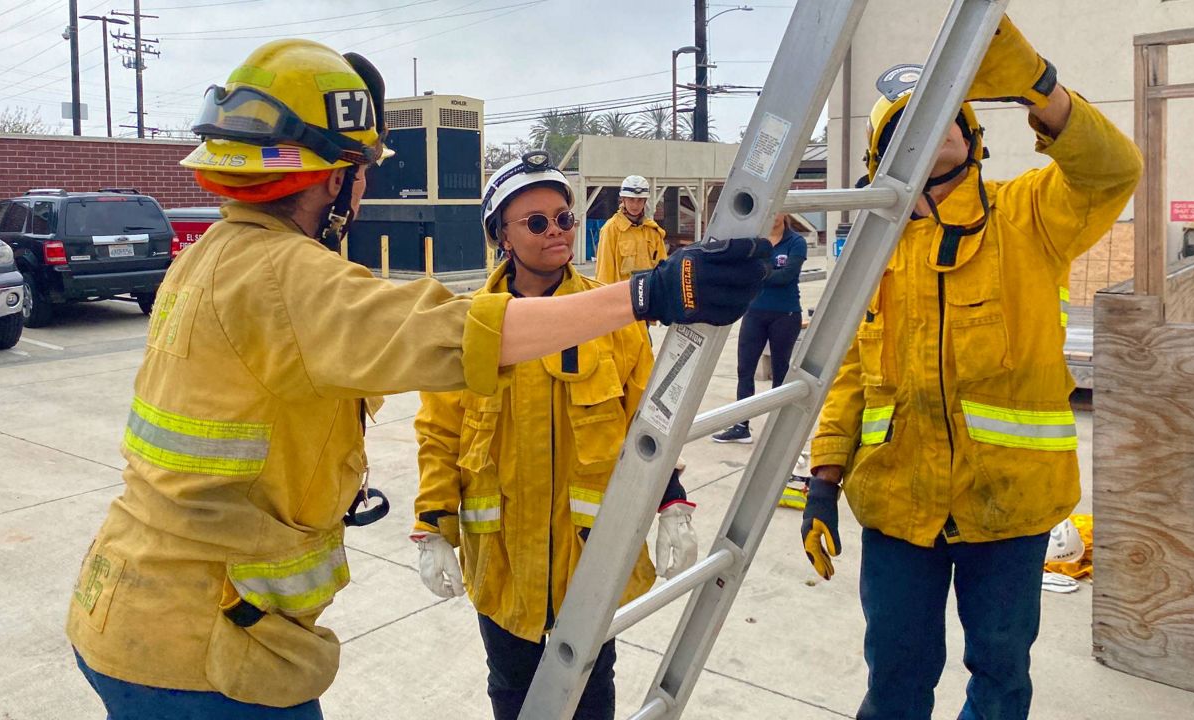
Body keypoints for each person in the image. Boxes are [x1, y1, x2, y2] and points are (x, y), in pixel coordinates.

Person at [65, 39, 769, 719]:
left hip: (134, 606)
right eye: (362, 169)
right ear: (331, 177)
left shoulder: (213, 254)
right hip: (201, 649)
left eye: (563, 217)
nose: (366, 188)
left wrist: (669, 495)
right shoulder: (285, 275)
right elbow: (452, 338)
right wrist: (648, 295)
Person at [798, 17, 1141, 720]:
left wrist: (1039, 89)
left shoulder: (1028, 214)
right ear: (880, 158)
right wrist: (823, 482)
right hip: (898, 512)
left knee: (1001, 674)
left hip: (1009, 512)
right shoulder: (870, 256)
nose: (931, 130)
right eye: (903, 126)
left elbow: (1114, 170)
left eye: (944, 114)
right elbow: (850, 379)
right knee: (894, 676)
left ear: (973, 134)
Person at [411, 159, 699, 720]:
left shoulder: (613, 319)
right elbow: (439, 433)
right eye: (536, 222)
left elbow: (648, 418)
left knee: (591, 687)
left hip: (590, 555)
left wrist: (673, 503)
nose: (558, 231)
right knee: (512, 688)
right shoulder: (467, 327)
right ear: (502, 235)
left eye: (564, 217)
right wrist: (432, 526)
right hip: (503, 562)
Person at [712, 212, 808, 444]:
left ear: (785, 212)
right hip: (754, 313)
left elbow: (787, 275)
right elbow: (742, 270)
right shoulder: (758, 241)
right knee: (745, 369)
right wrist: (762, 273)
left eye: (777, 210)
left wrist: (757, 273)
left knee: (780, 370)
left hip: (785, 315)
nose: (772, 215)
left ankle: (778, 429)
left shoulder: (796, 242)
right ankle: (741, 425)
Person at [595, 175, 668, 285]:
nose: (635, 205)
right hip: (622, 297)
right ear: (623, 199)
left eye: (639, 200)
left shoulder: (653, 231)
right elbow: (604, 273)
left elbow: (663, 271)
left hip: (649, 297)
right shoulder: (610, 230)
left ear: (645, 201)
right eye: (631, 199)